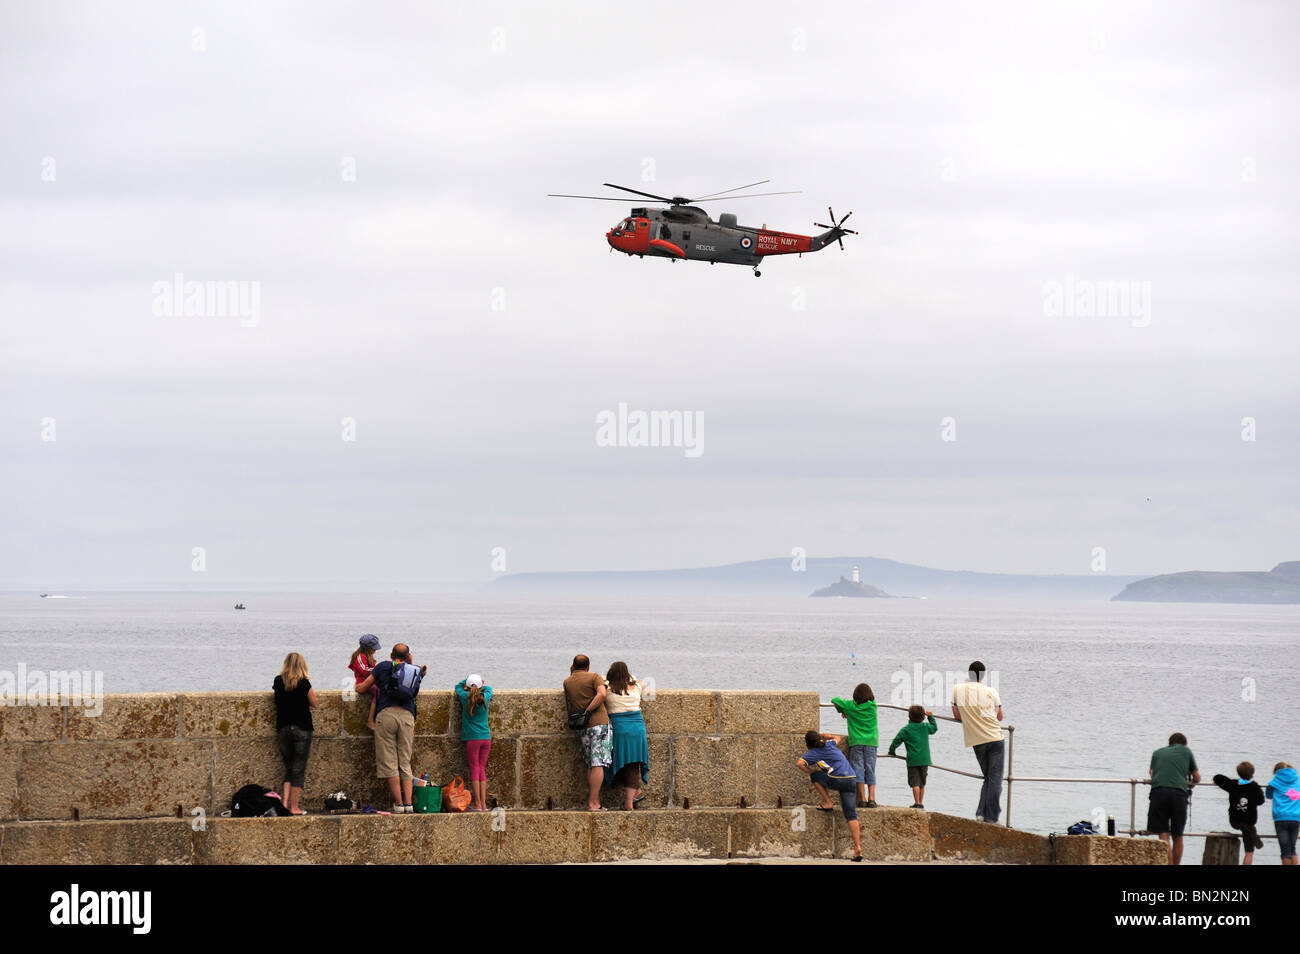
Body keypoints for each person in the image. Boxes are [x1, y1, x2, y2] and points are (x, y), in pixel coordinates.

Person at [356, 643, 426, 813]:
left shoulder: (383, 666)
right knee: (404, 760)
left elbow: (362, 687)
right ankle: (409, 804)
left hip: (386, 715)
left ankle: (399, 804)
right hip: (407, 717)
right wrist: (410, 661)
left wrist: (356, 686)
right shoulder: (414, 670)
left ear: (390, 654)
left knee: (389, 761)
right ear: (408, 656)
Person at [950, 660, 1004, 823]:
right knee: (994, 778)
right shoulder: (991, 691)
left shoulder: (957, 690)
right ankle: (991, 817)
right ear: (983, 675)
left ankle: (981, 814)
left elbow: (957, 715)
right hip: (995, 737)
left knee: (988, 777)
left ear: (969, 673)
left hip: (976, 739)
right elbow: (999, 716)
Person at [796, 731, 862, 862]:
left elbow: (799, 763)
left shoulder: (813, 752)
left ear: (808, 744)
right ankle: (858, 847)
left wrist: (810, 771)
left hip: (837, 779)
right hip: (851, 779)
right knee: (851, 815)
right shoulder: (830, 744)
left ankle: (828, 802)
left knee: (815, 776)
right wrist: (827, 735)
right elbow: (837, 738)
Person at [563, 654, 611, 811]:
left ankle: (594, 802)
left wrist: (572, 673)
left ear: (573, 666)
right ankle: (594, 802)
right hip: (599, 724)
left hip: (582, 727)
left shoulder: (567, 682)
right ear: (588, 666)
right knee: (598, 763)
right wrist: (588, 710)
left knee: (591, 763)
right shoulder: (595, 677)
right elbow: (602, 694)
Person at [272, 652, 317, 815]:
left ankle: (284, 804)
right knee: (298, 768)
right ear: (301, 665)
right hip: (302, 728)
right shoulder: (304, 683)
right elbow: (315, 703)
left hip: (283, 728)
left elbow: (277, 700)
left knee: (289, 767)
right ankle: (294, 807)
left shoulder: (278, 681)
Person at [1147, 732, 1201, 865]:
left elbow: (1152, 774)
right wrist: (1190, 784)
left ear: (1169, 743)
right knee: (1178, 835)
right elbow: (1197, 778)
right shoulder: (1186, 751)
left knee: (1163, 834)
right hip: (1178, 794)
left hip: (1159, 792)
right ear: (1184, 744)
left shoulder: (1157, 752)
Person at [604, 661, 649, 811]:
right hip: (638, 728)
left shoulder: (608, 689)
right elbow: (641, 684)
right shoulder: (636, 687)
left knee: (619, 760)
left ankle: (630, 798)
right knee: (633, 763)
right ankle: (630, 800)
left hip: (620, 728)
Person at [831, 682, 878, 808]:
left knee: (857, 769)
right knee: (870, 769)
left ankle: (862, 799)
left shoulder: (851, 706)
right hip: (871, 742)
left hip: (856, 741)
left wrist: (843, 710)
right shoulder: (873, 706)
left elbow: (834, 700)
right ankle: (871, 799)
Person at [1212, 761, 1265, 865]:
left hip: (1234, 820)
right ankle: (1254, 836)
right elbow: (1261, 801)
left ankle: (1253, 835)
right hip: (1249, 822)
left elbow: (1217, 778)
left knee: (1247, 830)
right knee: (1249, 852)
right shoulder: (1255, 787)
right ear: (1252, 773)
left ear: (1238, 772)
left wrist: (1233, 781)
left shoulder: (1233, 784)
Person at [454, 673, 493, 812]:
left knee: (474, 769)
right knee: (482, 769)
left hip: (472, 739)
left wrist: (467, 683)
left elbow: (457, 686)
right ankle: (484, 804)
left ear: (469, 687)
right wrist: (480, 683)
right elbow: (489, 688)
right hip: (486, 737)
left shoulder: (465, 697)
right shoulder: (485, 697)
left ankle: (477, 803)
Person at [888, 705, 938, 809]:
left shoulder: (906, 730)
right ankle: (921, 802)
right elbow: (934, 728)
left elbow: (896, 741)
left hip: (913, 760)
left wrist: (892, 751)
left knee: (915, 782)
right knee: (922, 783)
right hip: (925, 759)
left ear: (909, 716)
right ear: (923, 717)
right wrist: (931, 717)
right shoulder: (925, 727)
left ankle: (917, 802)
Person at [1266, 762, 1300, 866]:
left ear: (1276, 771)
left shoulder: (1275, 781)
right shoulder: (1298, 780)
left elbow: (1268, 795)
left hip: (1280, 818)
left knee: (1285, 851)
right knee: (1292, 849)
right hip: (1295, 818)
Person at [348, 634, 381, 730]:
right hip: (362, 684)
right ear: (367, 648)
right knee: (377, 691)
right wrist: (378, 670)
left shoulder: (369, 656)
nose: (375, 650)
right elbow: (365, 670)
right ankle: (370, 720)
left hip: (369, 682)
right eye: (373, 648)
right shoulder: (359, 657)